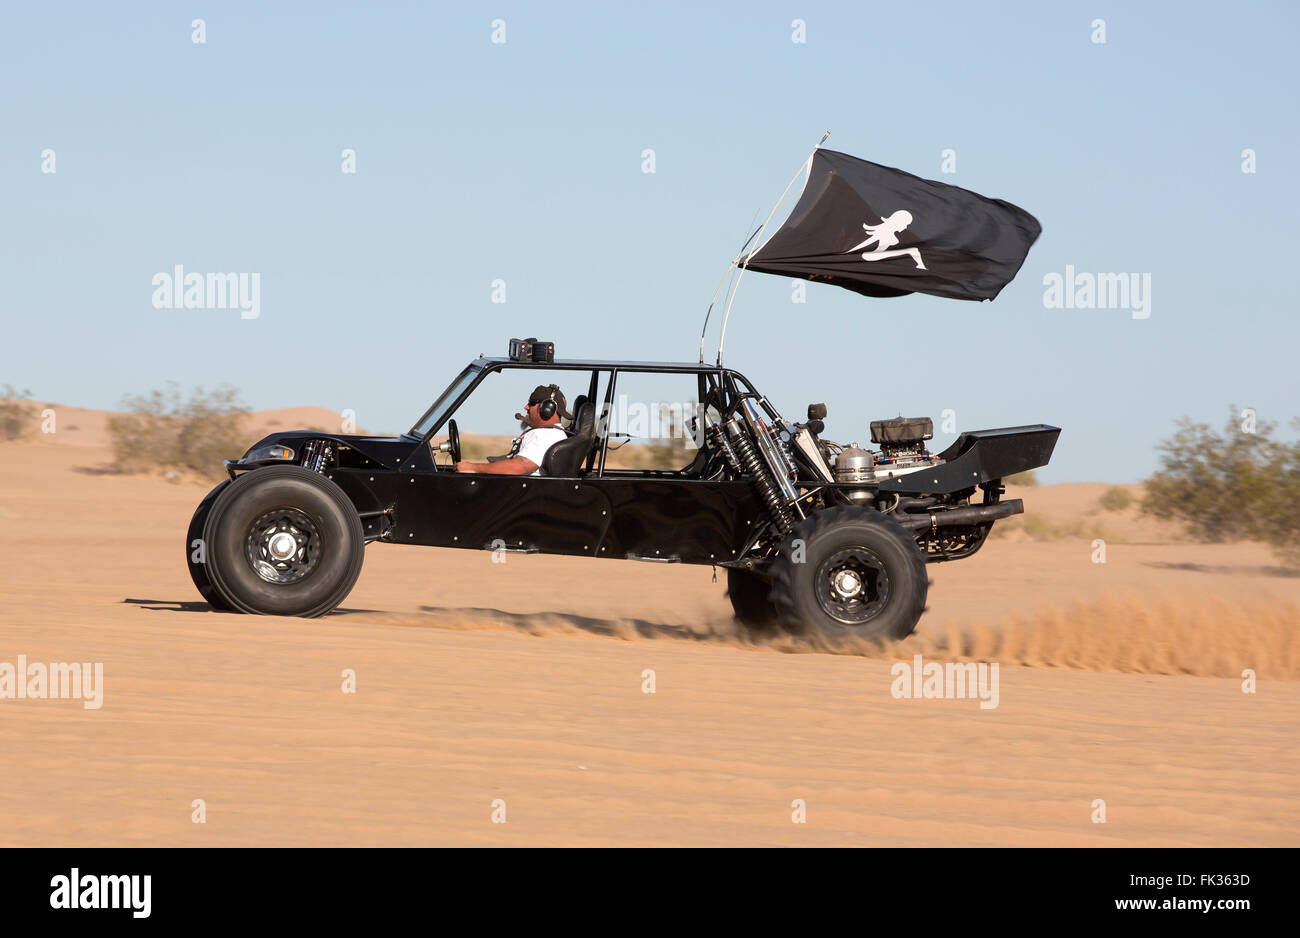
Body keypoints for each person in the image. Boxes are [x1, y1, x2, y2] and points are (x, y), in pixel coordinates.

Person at [454, 384, 568, 476]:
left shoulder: (543, 435)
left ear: (547, 409)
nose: (526, 407)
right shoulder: (555, 434)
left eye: (532, 403)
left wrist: (473, 468)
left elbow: (519, 467)